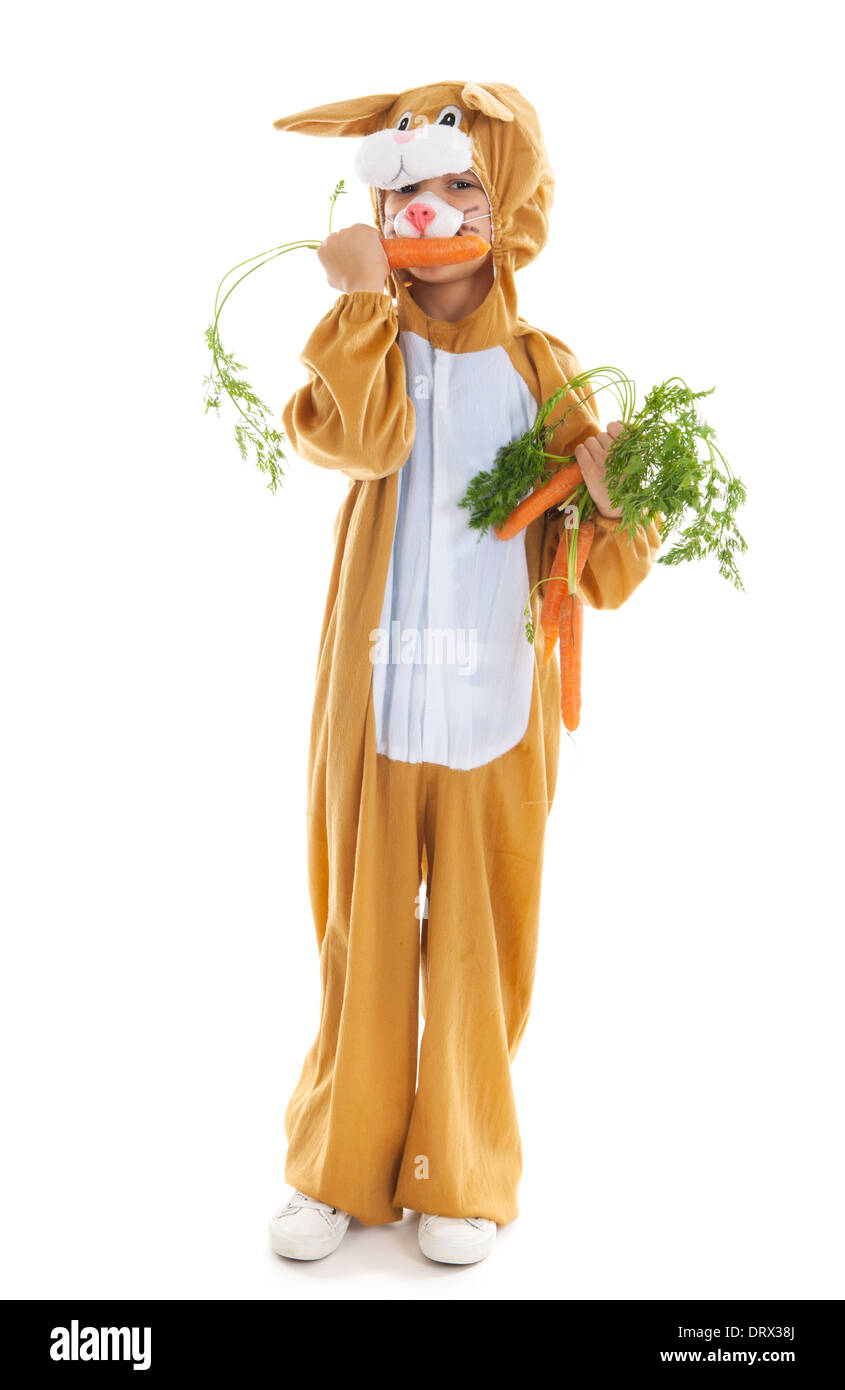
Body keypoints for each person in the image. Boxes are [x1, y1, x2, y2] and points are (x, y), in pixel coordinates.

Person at [267, 81, 662, 1266]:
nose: (426, 211)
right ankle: (338, 1164)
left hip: (497, 705)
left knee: (480, 940)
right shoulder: (366, 343)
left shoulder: (544, 370)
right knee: (364, 934)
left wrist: (607, 496)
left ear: (512, 209)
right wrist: (351, 307)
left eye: (459, 186)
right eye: (403, 187)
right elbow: (359, 439)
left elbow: (611, 575)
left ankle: (463, 1169)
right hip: (377, 699)